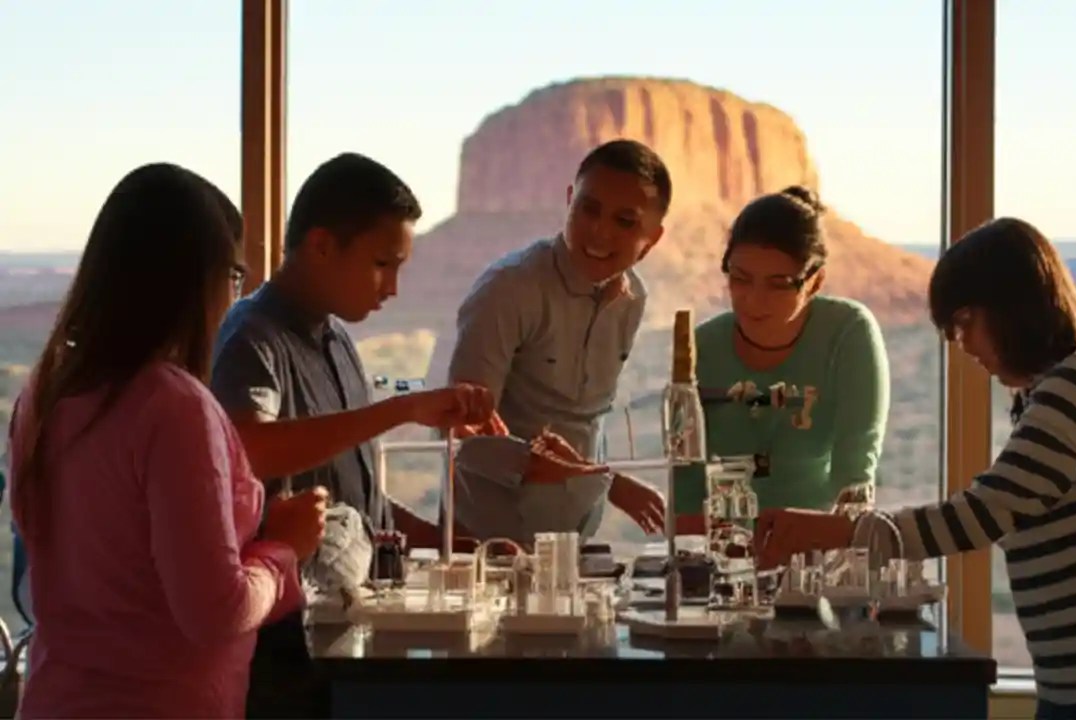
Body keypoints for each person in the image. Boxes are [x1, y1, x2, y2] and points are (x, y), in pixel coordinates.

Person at [755, 218, 1076, 720]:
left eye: (965, 322)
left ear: (1012, 306)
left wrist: (834, 531)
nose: (962, 344)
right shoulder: (1045, 391)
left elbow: (986, 513)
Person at [7, 163, 327, 718]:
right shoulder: (173, 406)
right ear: (192, 278)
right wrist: (283, 550)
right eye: (233, 276)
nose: (235, 295)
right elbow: (215, 610)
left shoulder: (47, 391)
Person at [210, 152, 493, 717]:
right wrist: (403, 409)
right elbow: (249, 451)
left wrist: (455, 546)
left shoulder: (339, 342)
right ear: (321, 245)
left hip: (344, 643)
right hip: (282, 656)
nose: (392, 286)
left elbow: (355, 499)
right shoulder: (252, 338)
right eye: (382, 264)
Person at [447, 139, 671, 544]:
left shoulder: (633, 300)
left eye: (625, 221)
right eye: (589, 209)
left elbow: (588, 418)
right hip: (490, 545)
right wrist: (605, 480)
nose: (600, 232)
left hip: (574, 543)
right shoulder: (510, 288)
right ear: (570, 200)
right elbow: (463, 428)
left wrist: (594, 483)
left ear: (652, 239)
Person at [671, 186, 890, 534]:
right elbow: (685, 485)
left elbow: (855, 478)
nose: (754, 300)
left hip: (815, 547)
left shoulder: (848, 334)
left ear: (815, 281)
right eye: (740, 279)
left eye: (778, 284)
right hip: (725, 552)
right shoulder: (704, 347)